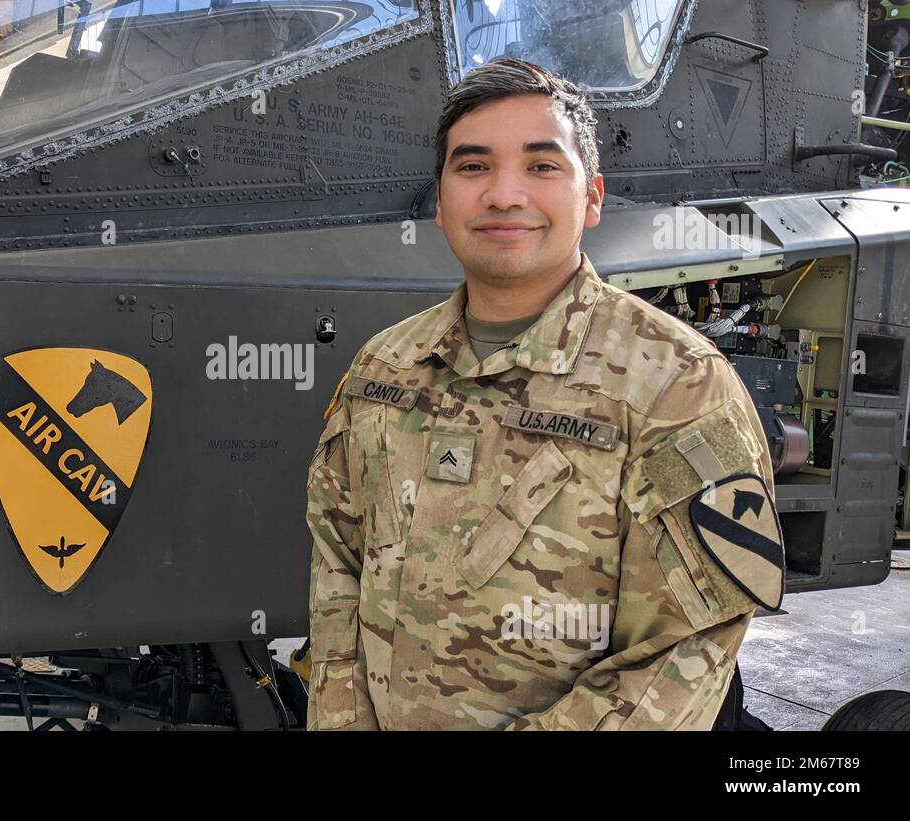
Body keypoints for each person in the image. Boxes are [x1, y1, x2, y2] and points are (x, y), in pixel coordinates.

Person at [305, 58, 785, 730]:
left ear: (592, 198)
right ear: (440, 203)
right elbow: (337, 568)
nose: (504, 194)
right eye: (473, 167)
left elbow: (686, 646)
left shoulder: (677, 382)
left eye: (541, 166)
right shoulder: (384, 366)